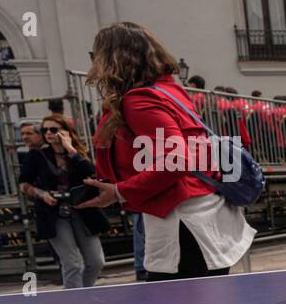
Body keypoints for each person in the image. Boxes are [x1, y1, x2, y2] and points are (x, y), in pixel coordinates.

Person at [76, 21, 255, 281]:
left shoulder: (140, 100)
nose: (94, 64)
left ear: (111, 59)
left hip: (182, 223)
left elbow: (176, 161)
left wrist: (118, 191)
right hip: (197, 217)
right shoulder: (167, 90)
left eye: (95, 56)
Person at [18, 113, 109, 288]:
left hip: (82, 210)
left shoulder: (76, 153)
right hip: (54, 213)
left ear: (66, 131)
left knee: (96, 261)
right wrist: (42, 194)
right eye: (45, 130)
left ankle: (83, 295)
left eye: (54, 129)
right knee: (72, 263)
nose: (49, 133)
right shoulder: (37, 155)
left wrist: (71, 150)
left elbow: (92, 173)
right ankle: (76, 303)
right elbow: (23, 184)